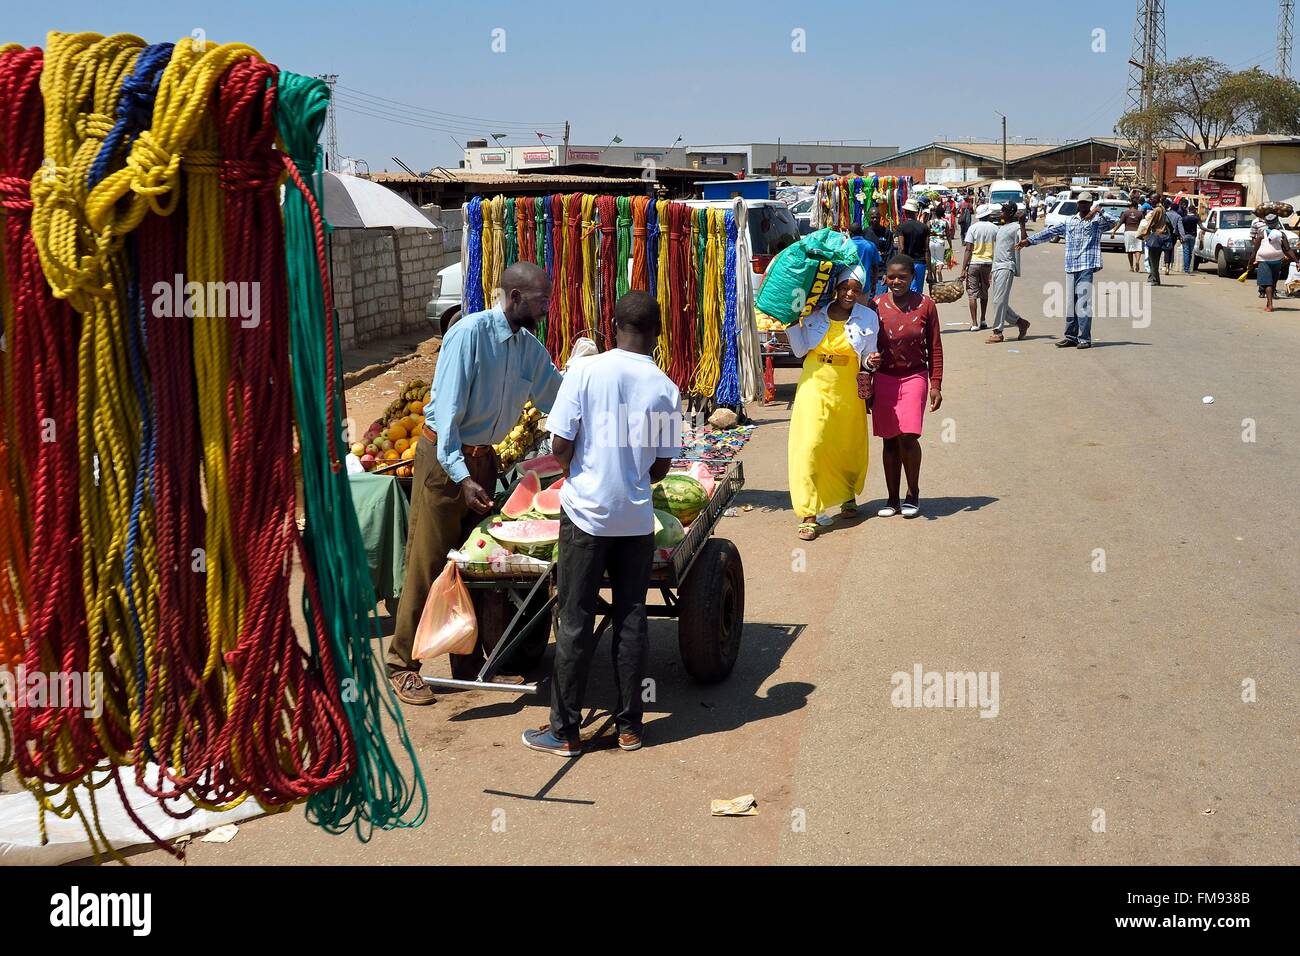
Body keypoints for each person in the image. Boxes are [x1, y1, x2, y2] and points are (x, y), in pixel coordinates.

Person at [387, 261, 563, 705]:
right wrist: (462, 478)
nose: (548, 306)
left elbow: (557, 396)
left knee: (478, 566)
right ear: (516, 297)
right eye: (542, 299)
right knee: (429, 565)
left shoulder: (527, 347)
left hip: (485, 462)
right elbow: (446, 420)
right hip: (445, 464)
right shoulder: (468, 335)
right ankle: (401, 665)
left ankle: (473, 666)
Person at [522, 291, 683, 756]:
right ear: (657, 333)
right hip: (634, 518)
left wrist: (582, 465)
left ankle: (565, 731)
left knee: (574, 618)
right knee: (631, 617)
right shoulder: (663, 388)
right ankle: (630, 726)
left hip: (585, 516)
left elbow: (561, 445)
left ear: (612, 326)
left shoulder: (585, 372)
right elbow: (659, 470)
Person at [785, 264, 879, 540]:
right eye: (845, 288)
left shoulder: (868, 317)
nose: (850, 294)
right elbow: (801, 350)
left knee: (845, 444)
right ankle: (809, 513)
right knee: (811, 444)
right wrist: (792, 323)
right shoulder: (814, 315)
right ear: (835, 288)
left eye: (856, 290)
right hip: (814, 382)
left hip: (847, 386)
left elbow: (868, 355)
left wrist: (871, 362)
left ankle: (847, 494)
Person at [871, 255, 942, 519]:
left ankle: (912, 493)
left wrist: (936, 383)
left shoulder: (926, 305)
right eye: (891, 276)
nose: (896, 281)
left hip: (914, 377)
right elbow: (866, 344)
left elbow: (934, 346)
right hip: (884, 379)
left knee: (908, 437)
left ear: (913, 277)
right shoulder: (875, 305)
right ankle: (892, 499)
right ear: (885, 277)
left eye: (902, 276)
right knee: (889, 440)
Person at [1019, 191, 1119, 349]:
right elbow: (1050, 232)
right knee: (1071, 304)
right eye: (1082, 203)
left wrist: (1100, 210)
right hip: (1071, 265)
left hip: (1086, 265)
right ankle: (1071, 336)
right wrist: (1029, 241)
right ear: (1078, 204)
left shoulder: (1097, 221)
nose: (1084, 205)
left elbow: (1116, 222)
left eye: (1087, 203)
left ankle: (1084, 338)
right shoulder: (1069, 221)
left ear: (1090, 204)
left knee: (1083, 303)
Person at [986, 201, 1031, 343]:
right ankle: (1020, 322)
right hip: (997, 267)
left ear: (1010, 213)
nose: (1001, 212)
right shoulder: (1002, 227)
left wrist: (1022, 223)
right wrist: (991, 271)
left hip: (1006, 266)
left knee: (999, 301)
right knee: (998, 301)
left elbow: (1024, 240)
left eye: (1004, 210)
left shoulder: (1016, 227)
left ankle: (998, 332)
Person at [960, 204, 999, 331]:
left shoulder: (973, 228)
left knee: (972, 294)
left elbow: (968, 249)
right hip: (988, 263)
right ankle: (983, 319)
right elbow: (998, 246)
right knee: (984, 292)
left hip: (974, 263)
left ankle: (974, 323)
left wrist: (963, 268)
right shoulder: (995, 228)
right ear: (988, 215)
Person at [1247, 211, 1294, 313]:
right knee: (1273, 282)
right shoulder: (1281, 234)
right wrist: (1297, 261)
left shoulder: (1261, 234)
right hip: (1277, 260)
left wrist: (1250, 263)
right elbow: (1288, 249)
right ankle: (1269, 303)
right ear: (1277, 222)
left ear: (1266, 223)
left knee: (1267, 283)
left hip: (1264, 260)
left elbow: (1255, 250)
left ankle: (1270, 305)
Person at [896, 199, 929, 292]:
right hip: (921, 264)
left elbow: (901, 249)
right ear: (915, 212)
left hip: (907, 263)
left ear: (906, 212)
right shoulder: (924, 227)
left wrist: (899, 264)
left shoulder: (902, 227)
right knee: (918, 291)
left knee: (907, 290)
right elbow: (927, 250)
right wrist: (930, 272)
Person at [1140, 197, 1171, 285]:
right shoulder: (1162, 209)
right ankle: (1153, 278)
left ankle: (1154, 279)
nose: (1151, 201)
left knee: (1153, 259)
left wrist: (1145, 231)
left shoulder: (1157, 209)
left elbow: (1151, 222)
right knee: (1154, 259)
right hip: (1161, 235)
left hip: (1157, 235)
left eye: (1152, 199)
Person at [1110, 197, 1145, 273]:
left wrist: (1114, 232)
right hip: (1137, 232)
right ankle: (1137, 261)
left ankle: (1131, 267)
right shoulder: (1140, 213)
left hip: (1128, 232)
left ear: (1130, 206)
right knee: (1138, 248)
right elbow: (1143, 224)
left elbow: (1120, 223)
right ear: (1136, 206)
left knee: (1129, 250)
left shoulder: (1125, 213)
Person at [849, 224, 882, 295]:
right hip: (865, 285)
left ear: (850, 233)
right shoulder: (871, 245)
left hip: (848, 284)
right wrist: (874, 283)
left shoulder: (846, 245)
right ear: (862, 232)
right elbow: (875, 266)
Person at [928, 203, 951, 283]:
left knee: (932, 259)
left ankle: (934, 277)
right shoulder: (945, 222)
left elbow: (927, 233)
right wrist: (950, 245)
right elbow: (948, 235)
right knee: (940, 259)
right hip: (940, 241)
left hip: (931, 241)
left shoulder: (930, 222)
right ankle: (939, 270)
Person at [1178, 200, 1201, 274]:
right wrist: (1211, 230)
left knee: (1186, 252)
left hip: (1185, 236)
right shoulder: (1196, 218)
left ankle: (1186, 269)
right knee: (1190, 252)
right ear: (1194, 210)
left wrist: (1180, 236)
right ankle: (1188, 268)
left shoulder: (1183, 218)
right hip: (1193, 236)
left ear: (1188, 210)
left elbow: (1180, 228)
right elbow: (1202, 227)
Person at [1162, 199, 1182, 276]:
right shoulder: (1178, 216)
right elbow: (1180, 228)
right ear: (1177, 209)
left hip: (1164, 234)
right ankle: (1168, 266)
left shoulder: (1165, 214)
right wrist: (1182, 236)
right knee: (1170, 250)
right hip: (1173, 235)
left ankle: (1165, 264)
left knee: (1165, 250)